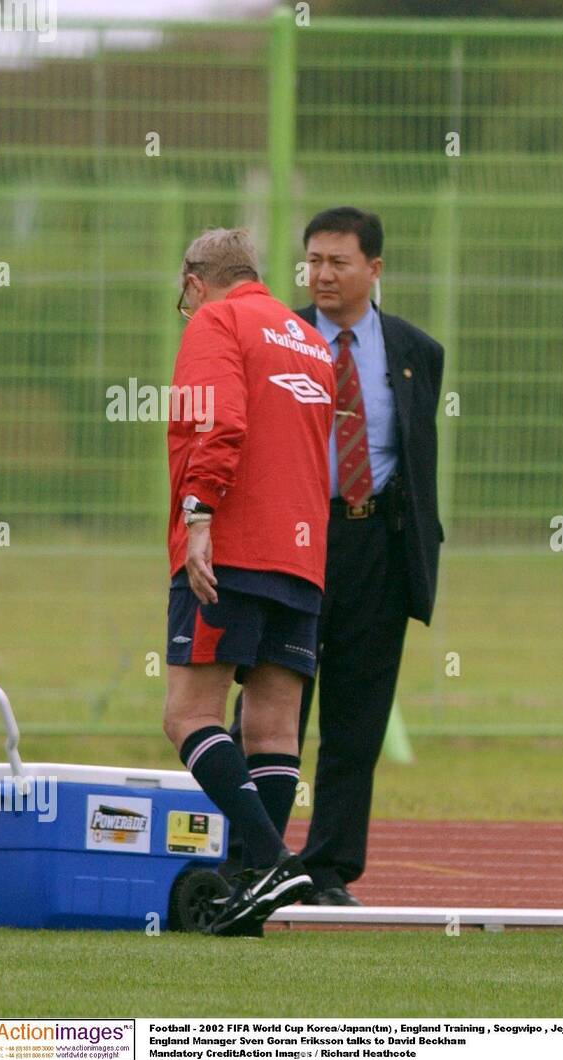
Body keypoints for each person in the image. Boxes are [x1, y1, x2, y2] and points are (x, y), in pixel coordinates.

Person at [161, 228, 335, 935]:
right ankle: (250, 891)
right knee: (273, 728)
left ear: (197, 280)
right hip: (301, 553)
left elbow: (219, 420)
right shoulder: (308, 338)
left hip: (230, 544)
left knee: (188, 714)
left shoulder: (216, 320)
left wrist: (198, 513)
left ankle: (269, 858)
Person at [273, 206, 444, 906]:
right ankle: (251, 853)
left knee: (357, 716)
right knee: (272, 708)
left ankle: (330, 867)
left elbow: (415, 455)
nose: (322, 275)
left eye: (338, 262)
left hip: (377, 542)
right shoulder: (278, 339)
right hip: (292, 541)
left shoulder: (415, 349)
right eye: (313, 260)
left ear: (374, 269)